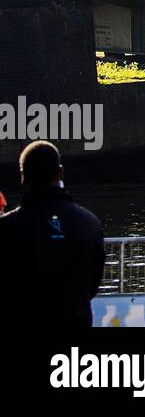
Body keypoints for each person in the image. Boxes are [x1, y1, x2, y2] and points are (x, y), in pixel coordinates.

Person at [0, 141, 106, 330]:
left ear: (23, 177)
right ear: (61, 173)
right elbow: (92, 285)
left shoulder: (6, 228)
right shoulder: (90, 224)